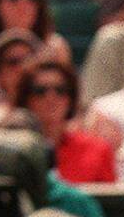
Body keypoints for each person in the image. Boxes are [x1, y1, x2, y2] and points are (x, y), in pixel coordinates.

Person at [16, 54, 116, 184]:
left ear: (71, 98)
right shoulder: (12, 151)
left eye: (60, 90)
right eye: (40, 91)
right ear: (25, 99)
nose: (51, 97)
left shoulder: (97, 151)